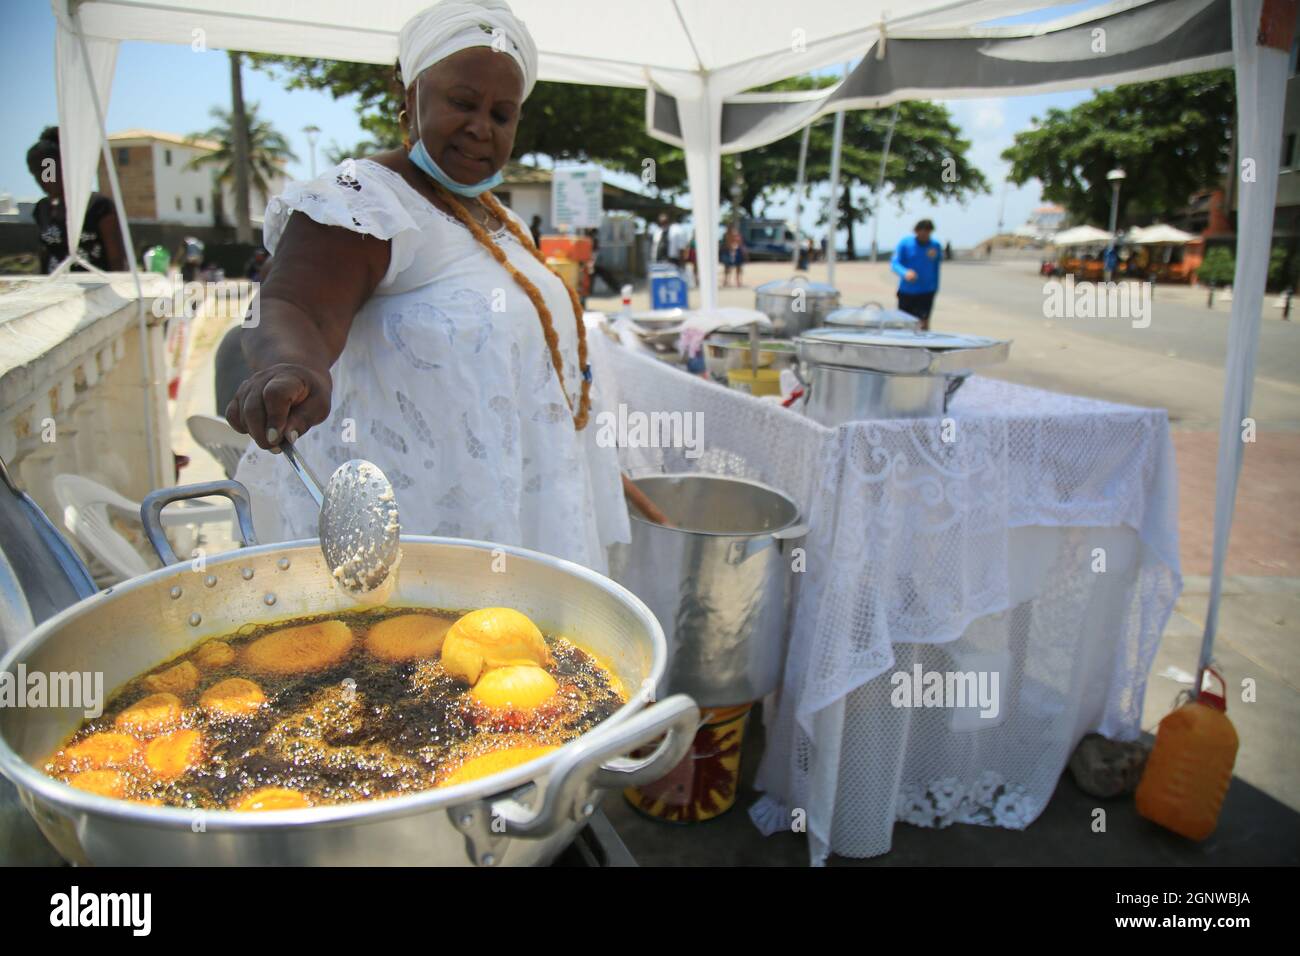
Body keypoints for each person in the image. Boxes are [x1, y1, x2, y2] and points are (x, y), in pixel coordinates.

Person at [225, 0, 628, 572]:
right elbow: (293, 303)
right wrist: (292, 367)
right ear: (409, 93)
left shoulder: (495, 218)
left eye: (503, 113)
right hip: (414, 535)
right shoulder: (366, 196)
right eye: (463, 102)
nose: (480, 128)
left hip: (519, 520)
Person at [27, 127, 127, 274]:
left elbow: (117, 262)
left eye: (48, 171)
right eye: (36, 172)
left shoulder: (98, 206)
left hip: (95, 291)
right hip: (55, 292)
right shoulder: (42, 209)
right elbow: (44, 257)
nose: (43, 179)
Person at [890, 218, 942, 329]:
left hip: (927, 291)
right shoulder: (905, 244)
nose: (924, 235)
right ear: (916, 231)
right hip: (907, 291)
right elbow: (895, 264)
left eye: (927, 232)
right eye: (922, 232)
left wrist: (936, 287)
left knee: (923, 322)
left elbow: (936, 267)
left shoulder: (935, 245)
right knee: (905, 322)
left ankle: (924, 344)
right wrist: (905, 273)